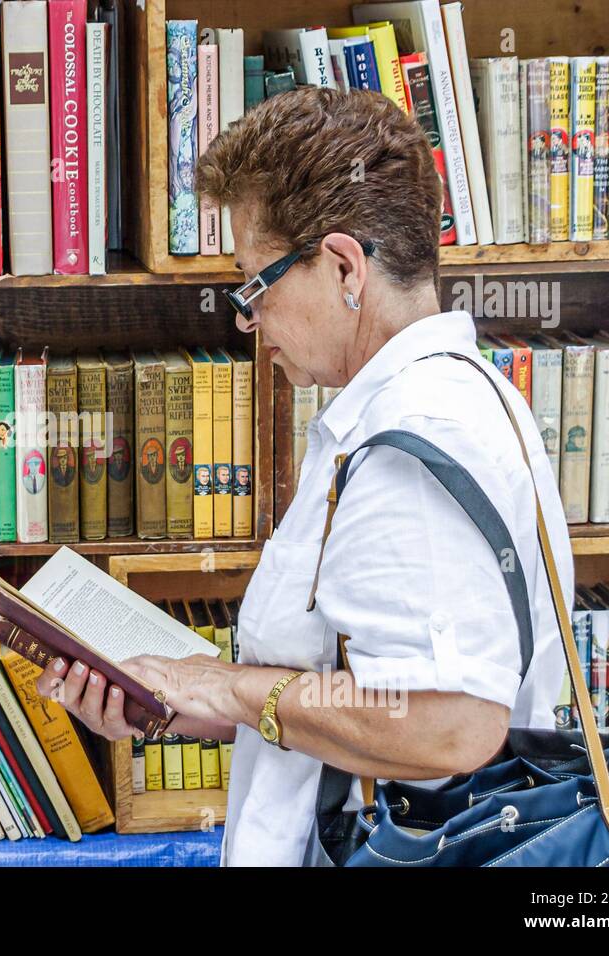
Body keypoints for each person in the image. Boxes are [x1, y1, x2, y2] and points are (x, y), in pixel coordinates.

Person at [36, 87, 570, 866]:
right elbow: (345, 699)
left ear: (345, 266)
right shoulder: (444, 398)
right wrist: (174, 696)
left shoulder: (415, 439)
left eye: (256, 284)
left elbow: (450, 724)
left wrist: (226, 687)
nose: (245, 319)